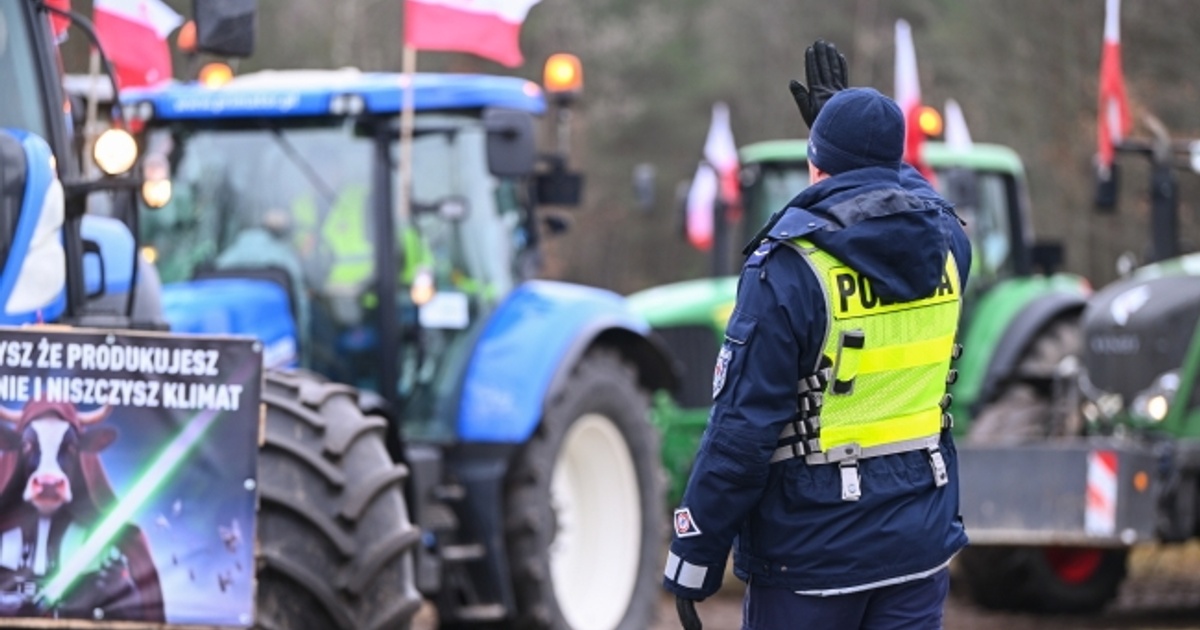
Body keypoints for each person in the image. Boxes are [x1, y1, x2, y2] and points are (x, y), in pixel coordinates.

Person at [663, 41, 972, 630]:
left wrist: (695, 552)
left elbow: (741, 435)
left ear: (815, 163)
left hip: (811, 555)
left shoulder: (787, 268)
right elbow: (910, 194)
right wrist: (865, 151)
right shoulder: (950, 245)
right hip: (919, 545)